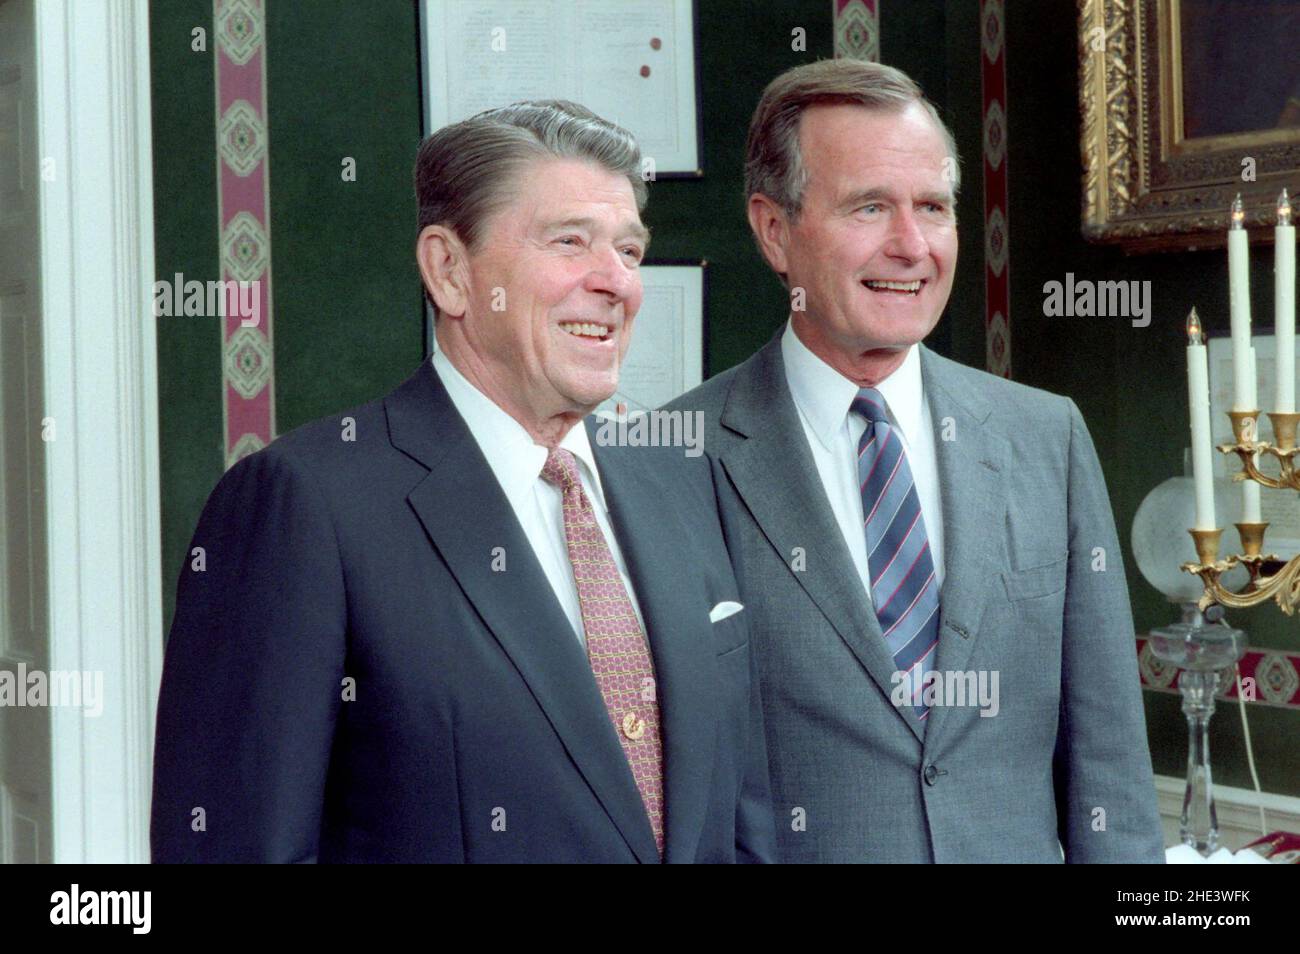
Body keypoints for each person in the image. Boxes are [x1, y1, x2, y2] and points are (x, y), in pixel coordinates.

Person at [151, 100, 775, 863]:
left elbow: (745, 824)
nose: (616, 283)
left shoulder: (683, 484)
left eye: (630, 251)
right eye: (570, 241)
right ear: (450, 271)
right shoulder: (305, 505)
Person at [665, 60, 1164, 863]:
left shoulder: (1048, 437)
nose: (911, 246)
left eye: (933, 208)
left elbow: (1113, 779)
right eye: (869, 207)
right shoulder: (671, 461)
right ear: (774, 230)